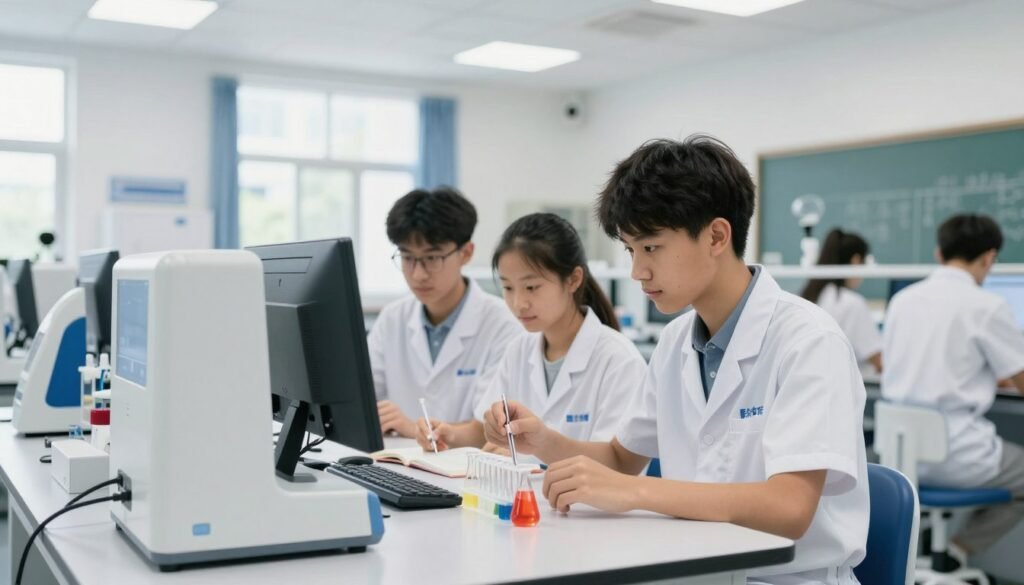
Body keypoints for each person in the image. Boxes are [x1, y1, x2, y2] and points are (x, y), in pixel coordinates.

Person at [483, 136, 869, 584]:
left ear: (717, 236)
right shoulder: (674, 342)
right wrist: (545, 441)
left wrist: (634, 492)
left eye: (651, 248)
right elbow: (620, 456)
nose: (637, 271)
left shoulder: (807, 341)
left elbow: (789, 508)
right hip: (694, 569)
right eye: (630, 250)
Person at [414, 213, 646, 452]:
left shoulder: (619, 361)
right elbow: (484, 430)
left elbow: (616, 467)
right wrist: (449, 433)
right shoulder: (519, 349)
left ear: (573, 280)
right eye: (507, 288)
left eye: (531, 287)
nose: (518, 303)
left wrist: (529, 459)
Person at [882, 213, 1024, 561]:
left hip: (899, 453)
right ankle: (958, 550)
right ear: (989, 257)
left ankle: (930, 545)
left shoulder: (903, 300)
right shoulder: (987, 306)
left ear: (939, 253)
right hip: (958, 454)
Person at [367, 187, 521, 438]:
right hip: (396, 463)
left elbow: (491, 428)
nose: (418, 274)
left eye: (433, 258)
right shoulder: (392, 318)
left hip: (467, 470)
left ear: (466, 253)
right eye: (407, 258)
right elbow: (360, 398)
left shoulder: (503, 325)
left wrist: (413, 428)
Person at [800, 228, 883, 373]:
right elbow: (878, 361)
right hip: (838, 388)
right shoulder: (851, 302)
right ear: (856, 261)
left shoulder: (810, 294)